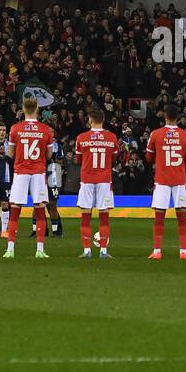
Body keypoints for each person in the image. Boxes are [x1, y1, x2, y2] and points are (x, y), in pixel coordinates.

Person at [4, 95, 53, 259]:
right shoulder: (46, 130)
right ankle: (40, 249)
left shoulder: (15, 129)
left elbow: (10, 154)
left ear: (24, 109)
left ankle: (10, 249)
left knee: (15, 211)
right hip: (38, 172)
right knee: (39, 210)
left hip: (21, 172)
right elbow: (49, 154)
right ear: (37, 109)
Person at [145, 102, 186, 260]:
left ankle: (157, 251)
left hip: (162, 179)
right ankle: (183, 251)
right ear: (178, 117)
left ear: (164, 116)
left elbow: (148, 157)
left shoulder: (156, 134)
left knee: (159, 216)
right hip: (179, 180)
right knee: (182, 217)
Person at [74, 106, 119, 259]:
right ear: (103, 120)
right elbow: (113, 159)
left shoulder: (81, 138)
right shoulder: (112, 137)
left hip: (87, 180)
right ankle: (103, 251)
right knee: (104, 216)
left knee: (85, 216)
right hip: (104, 180)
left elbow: (78, 160)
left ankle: (87, 251)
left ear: (91, 120)